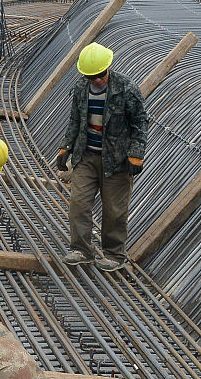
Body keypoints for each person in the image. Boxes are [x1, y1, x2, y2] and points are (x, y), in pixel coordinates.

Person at [56, 42, 148, 271]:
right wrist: (66, 147)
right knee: (79, 204)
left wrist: (136, 154)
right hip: (86, 156)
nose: (97, 80)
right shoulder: (81, 88)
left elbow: (140, 123)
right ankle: (81, 249)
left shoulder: (126, 88)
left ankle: (114, 254)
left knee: (114, 210)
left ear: (108, 68)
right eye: (91, 77)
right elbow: (75, 120)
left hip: (116, 161)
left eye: (100, 75)